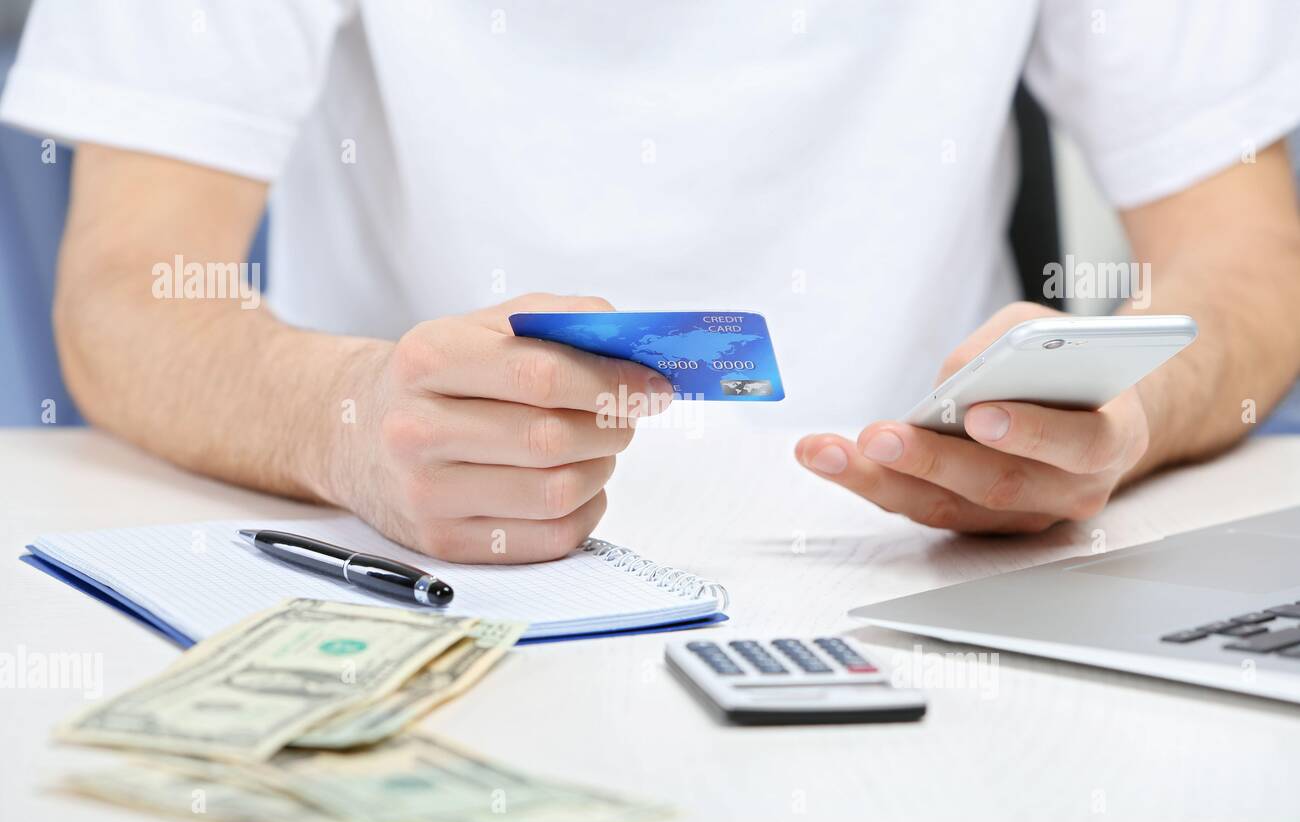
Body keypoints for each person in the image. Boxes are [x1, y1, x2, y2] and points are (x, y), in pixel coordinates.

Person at [3, 0, 1298, 562]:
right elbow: (124, 290)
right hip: (437, 579)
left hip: (938, 588)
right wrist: (344, 422)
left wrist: (1113, 420)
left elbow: (1246, 259)